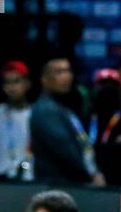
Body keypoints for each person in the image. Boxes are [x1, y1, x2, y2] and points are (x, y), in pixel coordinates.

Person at [29, 58, 102, 186]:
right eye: (59, 72)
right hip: (57, 185)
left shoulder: (62, 109)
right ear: (44, 79)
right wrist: (90, 176)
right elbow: (66, 152)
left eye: (68, 71)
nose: (67, 76)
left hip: (68, 184)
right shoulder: (46, 110)